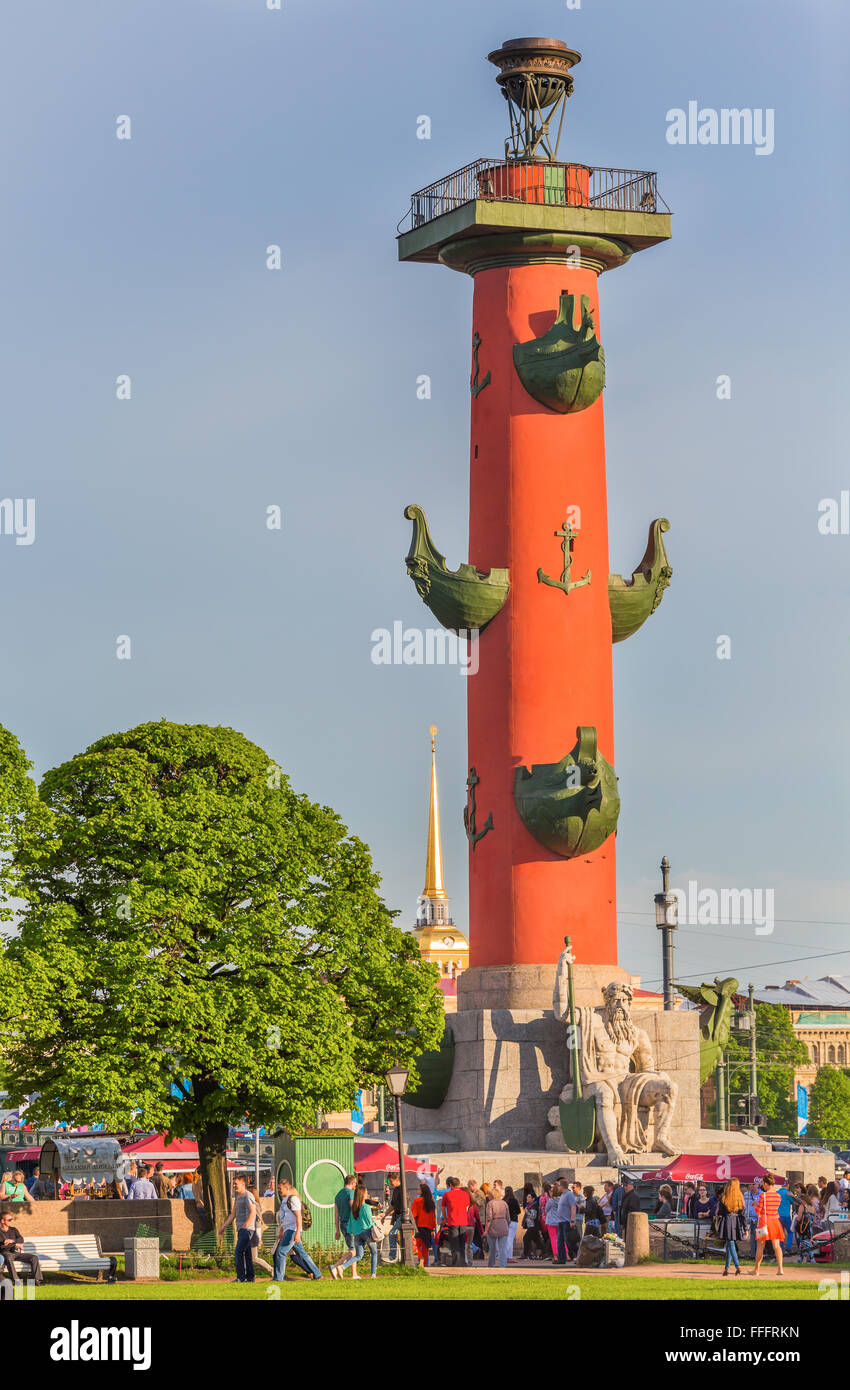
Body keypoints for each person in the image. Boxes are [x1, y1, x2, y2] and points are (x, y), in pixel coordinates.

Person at [272, 1178, 322, 1281]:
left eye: (280, 1188)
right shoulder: (284, 1200)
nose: (279, 1190)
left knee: (281, 1252)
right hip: (287, 1229)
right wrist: (282, 1230)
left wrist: (298, 1233)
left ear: (286, 1188)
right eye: (278, 1188)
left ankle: (278, 1278)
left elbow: (298, 1216)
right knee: (302, 1254)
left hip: (293, 1230)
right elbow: (285, 1217)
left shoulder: (293, 1199)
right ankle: (317, 1274)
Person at [331, 1179, 377, 1280]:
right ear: (363, 1195)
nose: (367, 1194)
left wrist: (349, 1230)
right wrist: (375, 1223)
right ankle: (373, 1274)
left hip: (356, 1233)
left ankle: (342, 1267)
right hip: (366, 1232)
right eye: (366, 1193)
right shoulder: (366, 1207)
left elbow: (351, 1221)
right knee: (374, 1252)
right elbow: (369, 1221)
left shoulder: (353, 1208)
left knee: (358, 1256)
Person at [218, 1174, 259, 1284]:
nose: (234, 1186)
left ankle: (241, 1277)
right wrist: (222, 1227)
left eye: (236, 1183)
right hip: (241, 1229)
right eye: (233, 1184)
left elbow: (253, 1212)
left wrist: (246, 1225)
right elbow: (233, 1214)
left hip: (247, 1230)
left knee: (238, 1251)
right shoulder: (238, 1197)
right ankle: (250, 1278)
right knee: (247, 1254)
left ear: (243, 1184)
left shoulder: (248, 1195)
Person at [751, 1173, 784, 1277]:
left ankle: (756, 1270)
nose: (762, 1185)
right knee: (777, 1246)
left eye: (762, 1183)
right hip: (775, 1222)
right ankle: (780, 1268)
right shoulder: (778, 1196)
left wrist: (756, 1205)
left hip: (764, 1222)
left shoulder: (763, 1195)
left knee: (760, 1247)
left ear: (765, 1183)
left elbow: (759, 1212)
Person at [0, 1209, 43, 1287]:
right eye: (9, 1220)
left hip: (16, 1253)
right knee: (9, 1258)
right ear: (2, 1221)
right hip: (5, 1253)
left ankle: (36, 1280)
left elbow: (21, 1239)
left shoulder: (14, 1229)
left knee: (34, 1258)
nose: (11, 1221)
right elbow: (2, 1247)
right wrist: (15, 1244)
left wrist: (12, 1241)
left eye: (11, 1219)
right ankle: (17, 1281)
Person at [715, 1177, 747, 1276]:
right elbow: (743, 1215)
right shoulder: (740, 1198)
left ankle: (738, 1267)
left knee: (730, 1243)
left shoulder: (724, 1198)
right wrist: (745, 1228)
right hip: (736, 1221)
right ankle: (727, 1269)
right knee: (730, 1244)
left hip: (727, 1221)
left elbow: (720, 1212)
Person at [440, 1176, 470, 1267]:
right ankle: (462, 1261)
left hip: (452, 1221)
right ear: (459, 1184)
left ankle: (456, 1262)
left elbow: (443, 1208)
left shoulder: (447, 1194)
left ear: (450, 1185)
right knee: (462, 1242)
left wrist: (445, 1219)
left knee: (454, 1243)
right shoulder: (465, 1194)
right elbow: (467, 1207)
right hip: (463, 1221)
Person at [484, 1180, 511, 1268]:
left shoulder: (490, 1203)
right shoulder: (504, 1203)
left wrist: (486, 1230)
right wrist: (507, 1225)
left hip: (493, 1225)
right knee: (503, 1248)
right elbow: (508, 1218)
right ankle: (503, 1265)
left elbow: (489, 1218)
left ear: (492, 1195)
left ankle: (491, 1265)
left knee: (492, 1249)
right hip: (503, 1224)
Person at [411, 1181, 437, 1267]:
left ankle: (420, 1260)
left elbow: (414, 1214)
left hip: (419, 1226)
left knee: (418, 1245)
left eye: (419, 1189)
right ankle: (425, 1263)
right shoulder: (431, 1201)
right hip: (428, 1227)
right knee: (426, 1247)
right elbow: (433, 1217)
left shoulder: (417, 1201)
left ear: (422, 1191)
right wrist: (433, 1228)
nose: (417, 1190)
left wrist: (413, 1226)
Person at [334, 1173, 357, 1257]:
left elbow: (336, 1215)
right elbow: (352, 1206)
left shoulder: (338, 1195)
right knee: (353, 1251)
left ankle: (353, 1270)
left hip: (342, 1224)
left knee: (352, 1249)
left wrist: (337, 1230)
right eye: (355, 1183)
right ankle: (338, 1265)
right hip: (350, 1224)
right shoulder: (351, 1193)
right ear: (353, 1183)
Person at [556, 1180, 577, 1264]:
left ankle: (579, 1254)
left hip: (567, 1221)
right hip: (560, 1221)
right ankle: (561, 1259)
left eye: (558, 1186)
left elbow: (573, 1207)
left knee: (569, 1242)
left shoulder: (569, 1194)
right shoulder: (562, 1195)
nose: (557, 1187)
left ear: (562, 1186)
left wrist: (572, 1220)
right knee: (560, 1241)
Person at [386, 1171, 404, 1262]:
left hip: (403, 1215)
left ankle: (392, 1257)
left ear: (397, 1180)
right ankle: (398, 1257)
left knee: (392, 1233)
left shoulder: (402, 1189)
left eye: (391, 1181)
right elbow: (392, 1205)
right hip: (397, 1215)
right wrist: (384, 1215)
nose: (390, 1183)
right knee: (397, 1235)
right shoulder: (396, 1190)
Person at [544, 1181, 562, 1260]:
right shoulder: (562, 1200)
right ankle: (566, 1254)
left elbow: (546, 1210)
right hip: (560, 1220)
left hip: (551, 1221)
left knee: (553, 1238)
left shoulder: (551, 1201)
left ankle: (555, 1255)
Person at [504, 1185, 521, 1263]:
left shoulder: (503, 1200)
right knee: (510, 1240)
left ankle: (505, 1256)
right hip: (513, 1220)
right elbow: (519, 1211)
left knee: (506, 1239)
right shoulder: (514, 1200)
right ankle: (509, 1257)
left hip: (505, 1221)